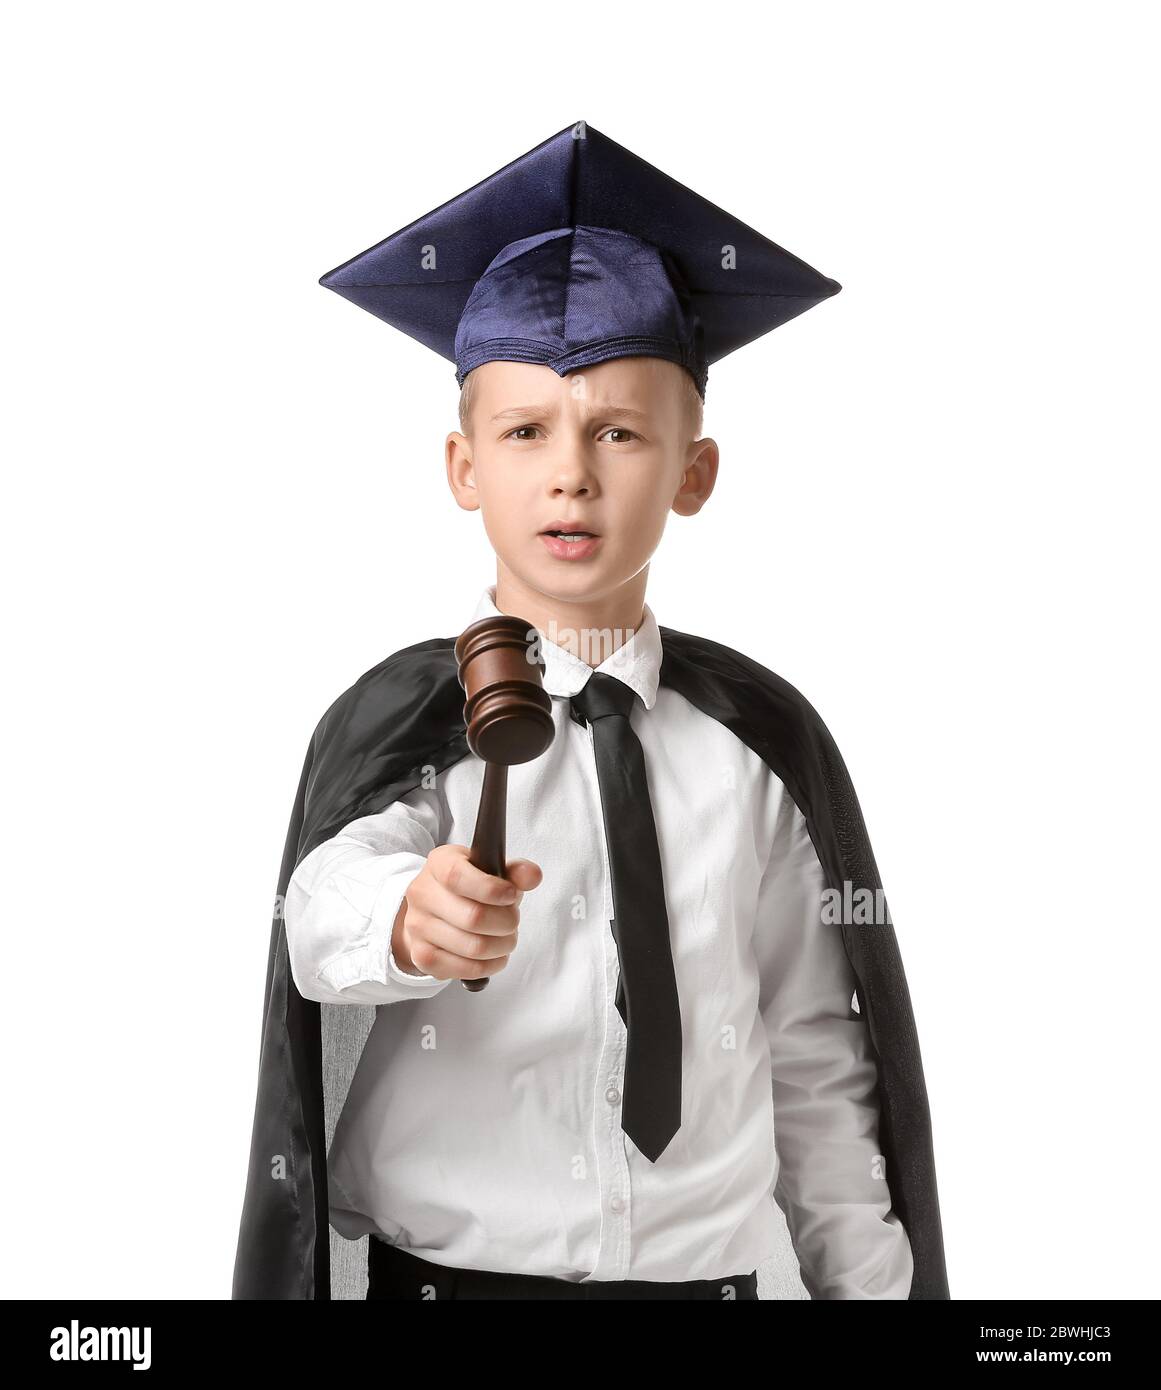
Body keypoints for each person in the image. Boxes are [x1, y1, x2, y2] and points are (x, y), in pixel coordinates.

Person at [232, 121, 949, 1301]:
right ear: (465, 469)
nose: (571, 472)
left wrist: (869, 1287)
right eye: (524, 432)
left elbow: (816, 1054)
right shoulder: (410, 726)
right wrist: (412, 917)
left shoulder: (756, 748)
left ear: (693, 472)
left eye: (619, 431)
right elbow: (322, 908)